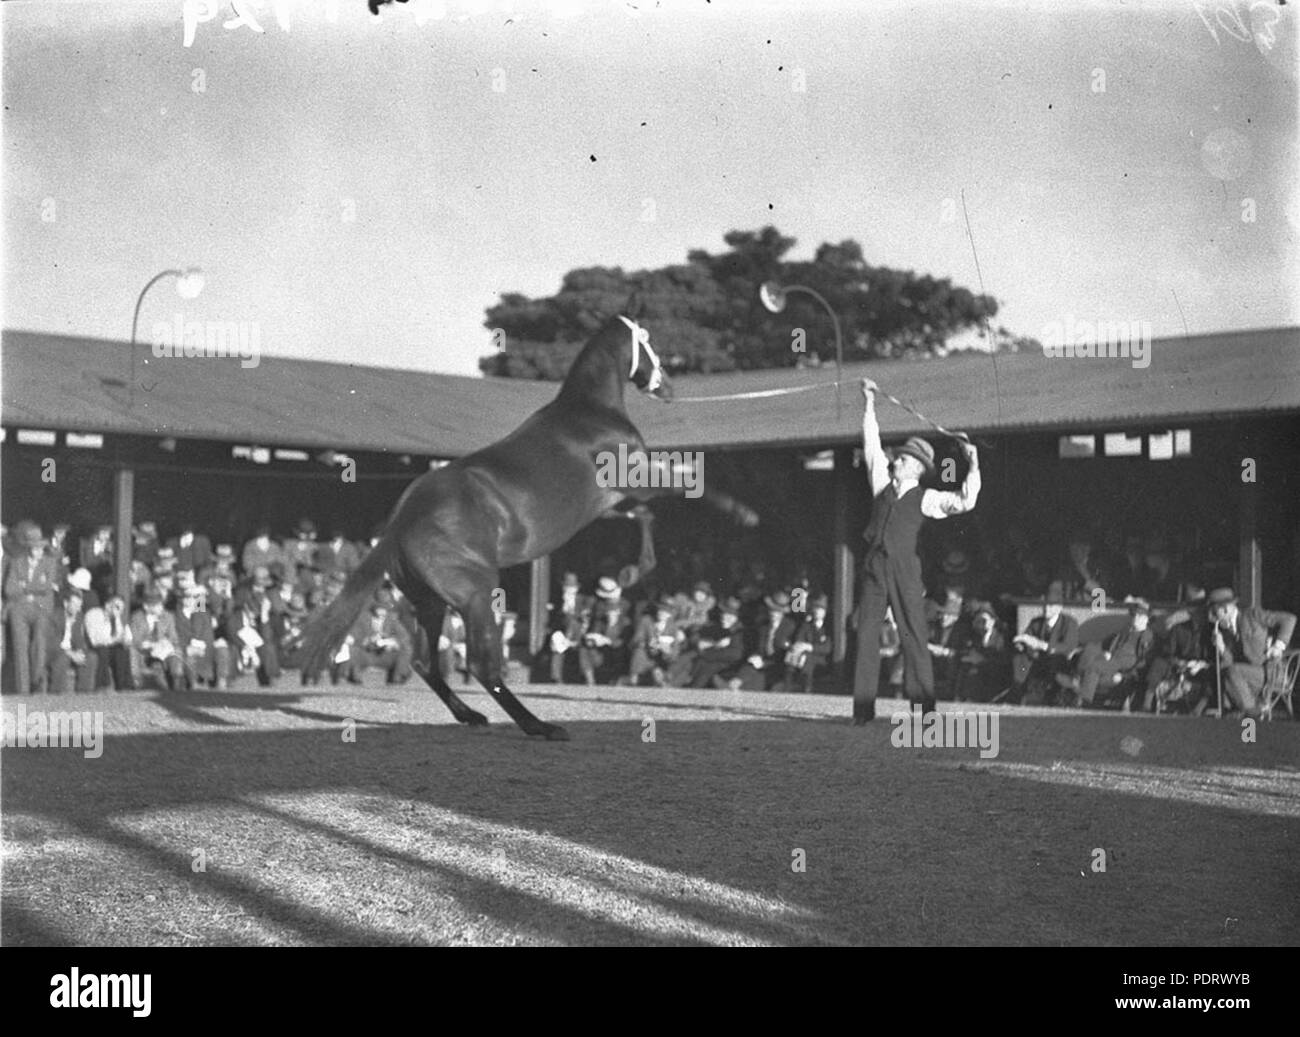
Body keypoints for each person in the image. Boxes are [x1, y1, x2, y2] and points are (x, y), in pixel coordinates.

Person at [852, 379, 980, 723]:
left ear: (917, 467)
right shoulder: (881, 484)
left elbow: (965, 501)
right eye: (899, 458)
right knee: (866, 636)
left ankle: (924, 716)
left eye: (904, 460)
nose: (896, 462)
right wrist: (868, 403)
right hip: (874, 566)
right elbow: (871, 446)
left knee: (913, 636)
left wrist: (974, 464)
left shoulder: (925, 497)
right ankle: (862, 713)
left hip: (905, 569)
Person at [1206, 587, 1296, 719]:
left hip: (1271, 672)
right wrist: (1222, 647)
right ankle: (1249, 717)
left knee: (1233, 673)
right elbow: (1229, 664)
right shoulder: (1224, 632)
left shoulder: (1253, 615)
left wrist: (1278, 646)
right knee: (1225, 675)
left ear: (1225, 609)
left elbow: (1289, 619)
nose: (1213, 616)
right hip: (1246, 679)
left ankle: (1252, 713)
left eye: (1215, 611)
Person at [1058, 596, 1155, 708]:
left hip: (1124, 662)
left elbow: (1143, 660)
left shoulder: (1147, 636)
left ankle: (1084, 699)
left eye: (1140, 616)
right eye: (1134, 615)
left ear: (1147, 619)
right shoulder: (1125, 631)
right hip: (1112, 658)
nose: (1135, 618)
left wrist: (1125, 674)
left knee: (1095, 666)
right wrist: (1079, 649)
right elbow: (1104, 644)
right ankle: (1078, 680)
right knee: (1091, 648)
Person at [3, 521, 61, 694]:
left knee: (39, 644)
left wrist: (25, 586)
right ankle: (23, 690)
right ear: (29, 548)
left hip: (41, 608)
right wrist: (34, 587)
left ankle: (36, 680)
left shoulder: (50, 563)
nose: (38, 552)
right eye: (35, 548)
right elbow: (9, 589)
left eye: (41, 548)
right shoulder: (16, 562)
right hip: (19, 608)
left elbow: (47, 586)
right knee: (20, 648)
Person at [1008, 583, 1079, 704]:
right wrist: (1021, 643)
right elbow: (1026, 638)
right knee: (1019, 658)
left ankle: (1049, 698)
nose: (1046, 608)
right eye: (1045, 604)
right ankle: (1018, 694)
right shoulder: (1036, 622)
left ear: (1059, 607)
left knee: (1054, 661)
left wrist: (1042, 645)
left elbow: (1068, 646)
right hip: (1037, 659)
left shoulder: (1069, 623)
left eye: (1051, 605)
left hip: (1059, 660)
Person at [347, 592, 413, 685]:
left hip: (385, 653)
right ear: (374, 608)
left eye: (385, 609)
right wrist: (368, 640)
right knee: (352, 649)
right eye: (380, 609)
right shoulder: (363, 618)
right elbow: (353, 636)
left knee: (406, 648)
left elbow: (405, 636)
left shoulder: (391, 619)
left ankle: (398, 676)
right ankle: (355, 676)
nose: (383, 612)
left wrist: (393, 642)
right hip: (366, 653)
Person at [579, 577, 631, 685]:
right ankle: (589, 679)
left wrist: (608, 641)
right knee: (585, 649)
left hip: (617, 654)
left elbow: (624, 641)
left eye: (613, 613)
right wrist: (593, 638)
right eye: (608, 612)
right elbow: (595, 632)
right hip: (602, 653)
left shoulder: (625, 622)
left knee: (620, 654)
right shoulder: (601, 621)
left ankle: (618, 679)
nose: (610, 615)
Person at [130, 587, 184, 691]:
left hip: (162, 649)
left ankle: (176, 682)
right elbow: (135, 639)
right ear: (146, 606)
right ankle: (136, 682)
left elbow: (174, 638)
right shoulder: (137, 617)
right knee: (132, 650)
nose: (161, 608)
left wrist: (166, 642)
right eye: (157, 605)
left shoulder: (168, 616)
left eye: (161, 604)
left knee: (176, 651)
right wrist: (147, 644)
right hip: (144, 649)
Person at [48, 585, 96, 693]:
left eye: (80, 605)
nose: (78, 608)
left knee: (90, 657)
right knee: (62, 658)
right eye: (75, 604)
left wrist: (80, 651)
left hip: (71, 651)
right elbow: (52, 644)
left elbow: (79, 640)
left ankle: (84, 694)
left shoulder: (79, 617)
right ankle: (55, 695)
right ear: (66, 604)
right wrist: (70, 654)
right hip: (55, 651)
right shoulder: (54, 617)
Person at [628, 597, 684, 686]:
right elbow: (636, 639)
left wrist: (667, 650)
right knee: (639, 652)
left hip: (661, 659)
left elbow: (675, 652)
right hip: (646, 655)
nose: (661, 613)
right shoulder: (646, 620)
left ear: (670, 615)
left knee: (659, 673)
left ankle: (661, 679)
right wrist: (651, 643)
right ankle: (634, 678)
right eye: (660, 611)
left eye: (665, 612)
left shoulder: (673, 627)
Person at [785, 593, 833, 694]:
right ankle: (787, 687)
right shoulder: (807, 625)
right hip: (804, 655)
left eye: (820, 609)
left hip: (821, 659)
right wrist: (797, 648)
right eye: (815, 608)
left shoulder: (828, 628)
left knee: (808, 659)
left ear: (825, 612)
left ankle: (807, 688)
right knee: (792, 656)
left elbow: (827, 648)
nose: (816, 612)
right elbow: (799, 638)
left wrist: (809, 647)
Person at [85, 592, 133, 690]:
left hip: (110, 646)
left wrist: (125, 639)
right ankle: (102, 685)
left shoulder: (118, 618)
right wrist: (115, 639)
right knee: (103, 650)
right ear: (107, 605)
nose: (119, 611)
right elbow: (96, 640)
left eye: (121, 609)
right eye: (117, 607)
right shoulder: (94, 614)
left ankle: (124, 686)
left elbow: (124, 637)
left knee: (123, 650)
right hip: (94, 647)